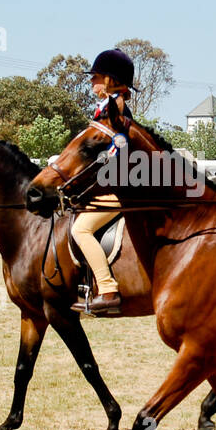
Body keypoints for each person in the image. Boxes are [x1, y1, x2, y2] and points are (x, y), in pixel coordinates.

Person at [70, 47, 137, 315]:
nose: (91, 82)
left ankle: (107, 288)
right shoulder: (103, 109)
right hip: (103, 185)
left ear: (110, 80)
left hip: (117, 189)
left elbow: (116, 152)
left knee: (80, 230)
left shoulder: (117, 109)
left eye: (95, 77)